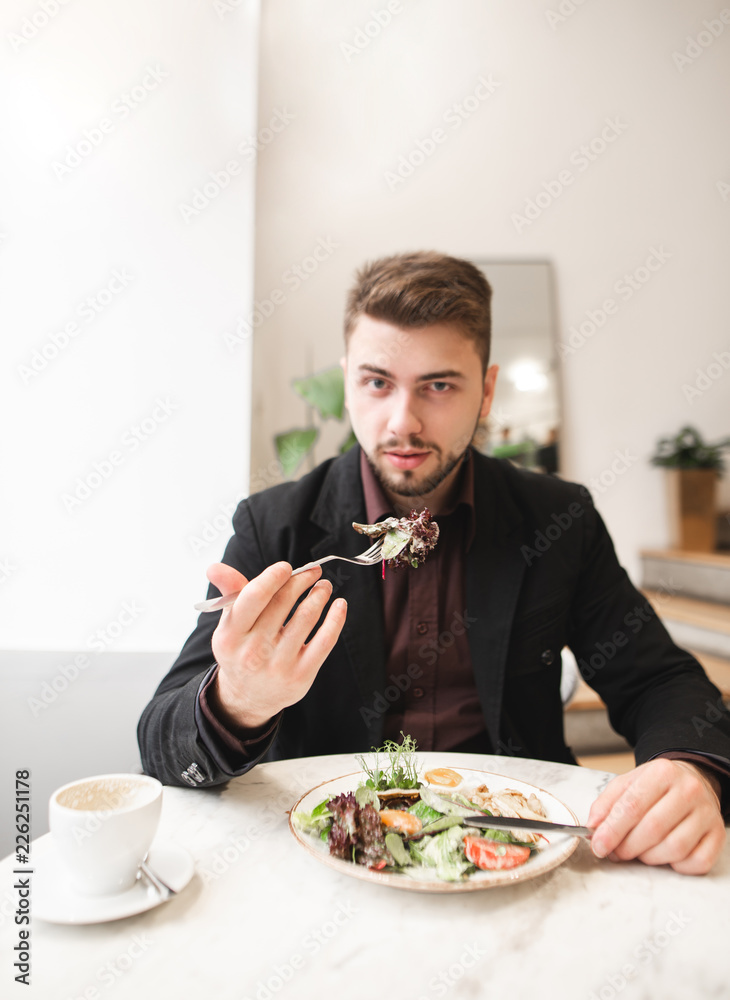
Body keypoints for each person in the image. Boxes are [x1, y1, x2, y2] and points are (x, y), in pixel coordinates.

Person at [138, 251, 730, 875]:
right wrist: (237, 699)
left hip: (512, 846)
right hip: (335, 856)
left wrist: (691, 768)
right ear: (347, 383)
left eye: (439, 385)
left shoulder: (558, 520)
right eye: (377, 383)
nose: (403, 421)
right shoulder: (275, 524)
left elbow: (660, 681)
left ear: (487, 391)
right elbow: (160, 746)